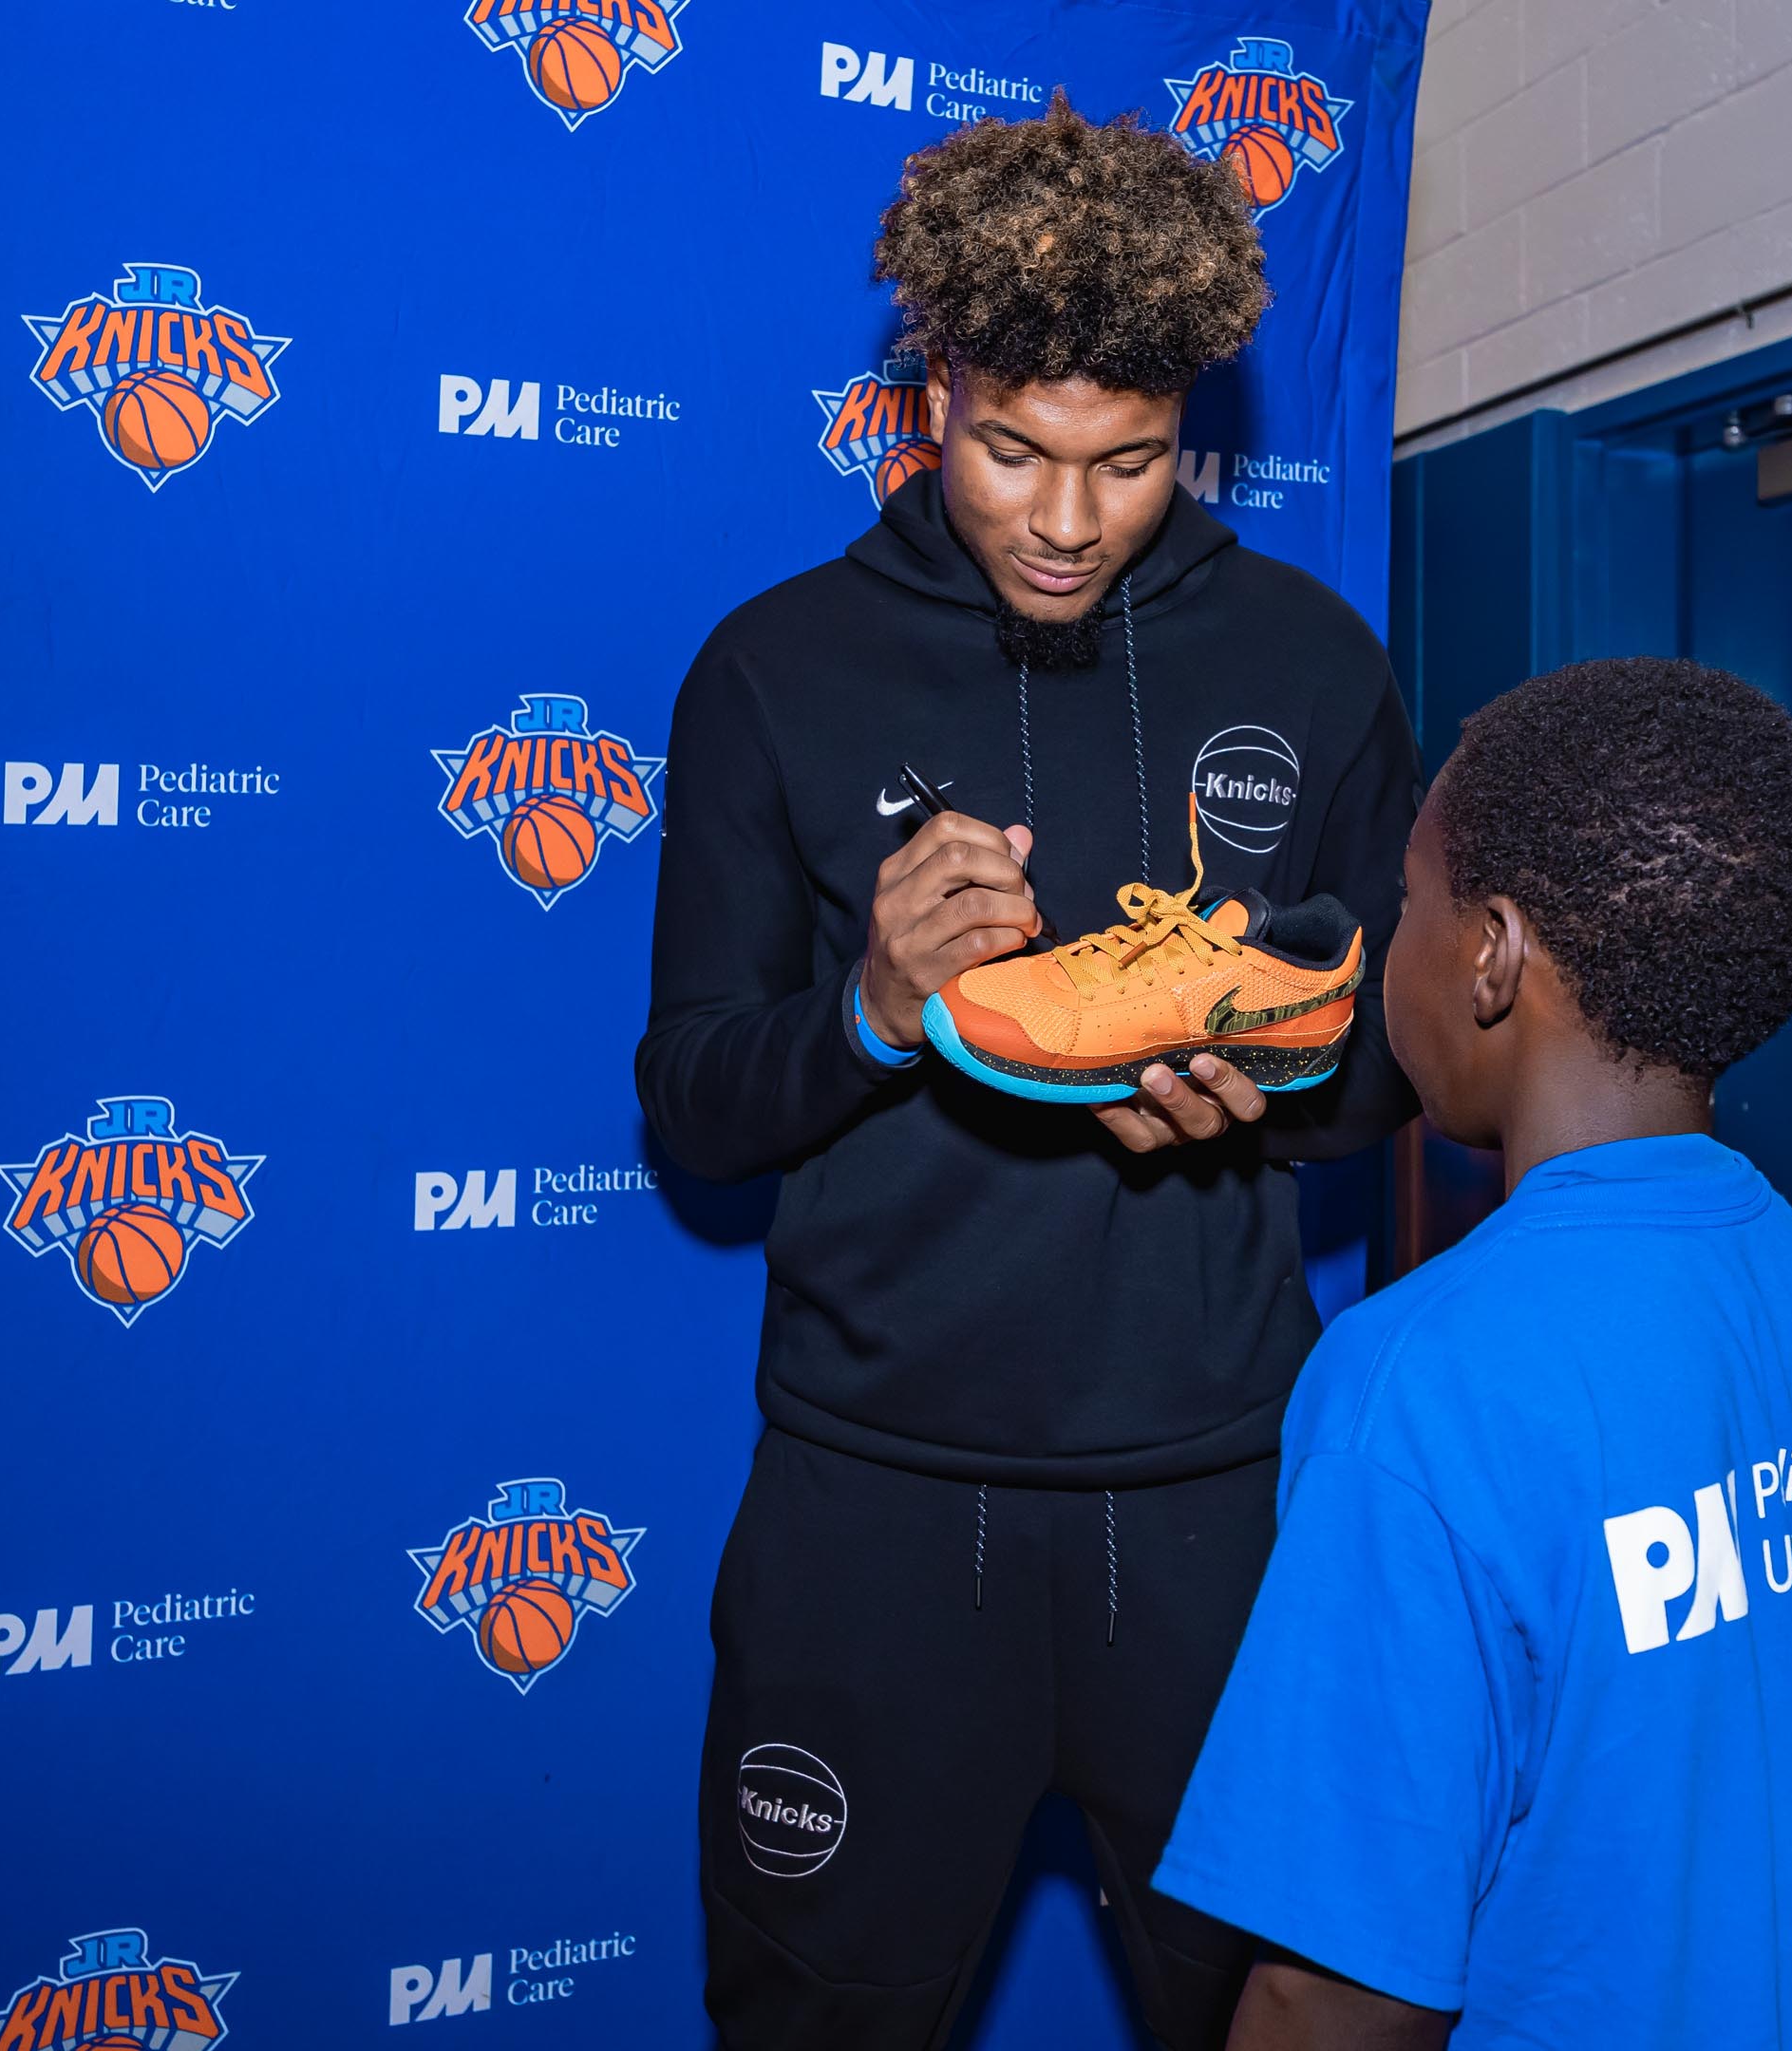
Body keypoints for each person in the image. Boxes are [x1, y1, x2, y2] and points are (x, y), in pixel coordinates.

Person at [634, 92, 1421, 2051]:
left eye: (1127, 464)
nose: (1065, 523)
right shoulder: (776, 671)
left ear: (1186, 433)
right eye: (1011, 451)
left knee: (1283, 2025)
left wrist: (1278, 1098)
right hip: (872, 1514)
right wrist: (873, 1012)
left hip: (1215, 1500)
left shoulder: (1314, 661)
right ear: (931, 402)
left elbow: (1388, 1063)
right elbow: (692, 1106)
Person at [1154, 659, 1792, 2050]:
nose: (1389, 941)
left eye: (1409, 905)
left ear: (1493, 955)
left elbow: (1333, 1987)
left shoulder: (1415, 1383)